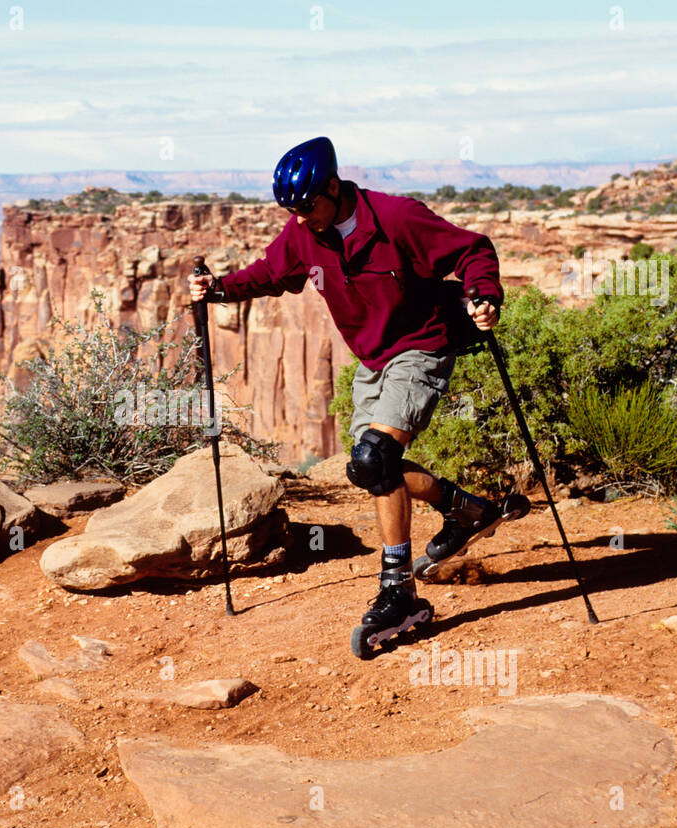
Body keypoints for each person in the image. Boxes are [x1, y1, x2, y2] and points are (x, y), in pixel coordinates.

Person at [188, 136, 528, 648]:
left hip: (421, 346)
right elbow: (272, 273)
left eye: (306, 206)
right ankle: (465, 510)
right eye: (291, 211)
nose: (300, 219)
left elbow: (473, 249)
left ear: (332, 186)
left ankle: (399, 594)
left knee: (378, 455)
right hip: (372, 358)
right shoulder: (305, 232)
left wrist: (484, 294)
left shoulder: (397, 218)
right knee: (368, 468)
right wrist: (219, 289)